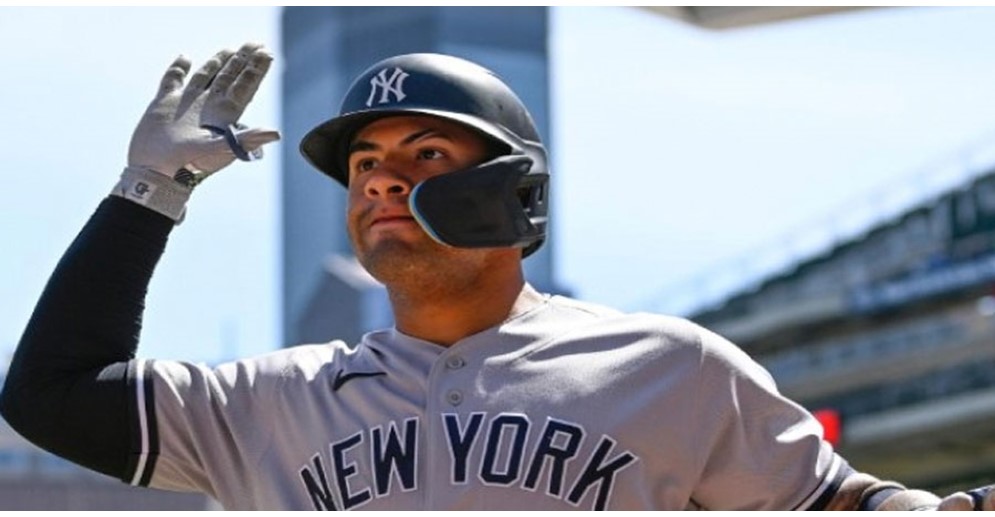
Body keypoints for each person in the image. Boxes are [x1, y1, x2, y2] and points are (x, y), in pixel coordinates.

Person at [0, 41, 991, 511]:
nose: (382, 177)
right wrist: (150, 188)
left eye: (425, 155)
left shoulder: (668, 366)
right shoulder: (268, 402)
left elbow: (838, 506)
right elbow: (48, 395)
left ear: (514, 197)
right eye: (363, 165)